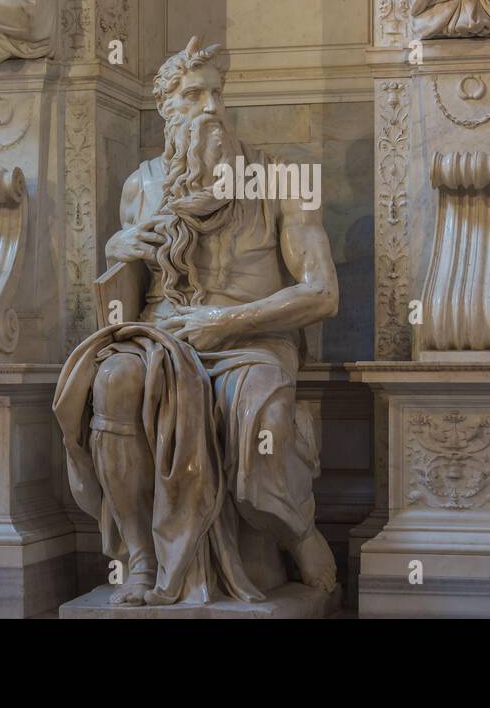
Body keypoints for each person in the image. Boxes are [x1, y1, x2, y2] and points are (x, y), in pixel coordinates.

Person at [53, 37, 339, 606]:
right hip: (160, 335)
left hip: (251, 340)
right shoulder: (141, 185)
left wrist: (227, 321)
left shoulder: (277, 177)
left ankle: (298, 531)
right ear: (167, 107)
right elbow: (118, 311)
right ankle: (140, 559)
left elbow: (322, 293)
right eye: (194, 93)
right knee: (113, 381)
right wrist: (120, 252)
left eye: (217, 93)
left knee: (260, 421)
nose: (210, 106)